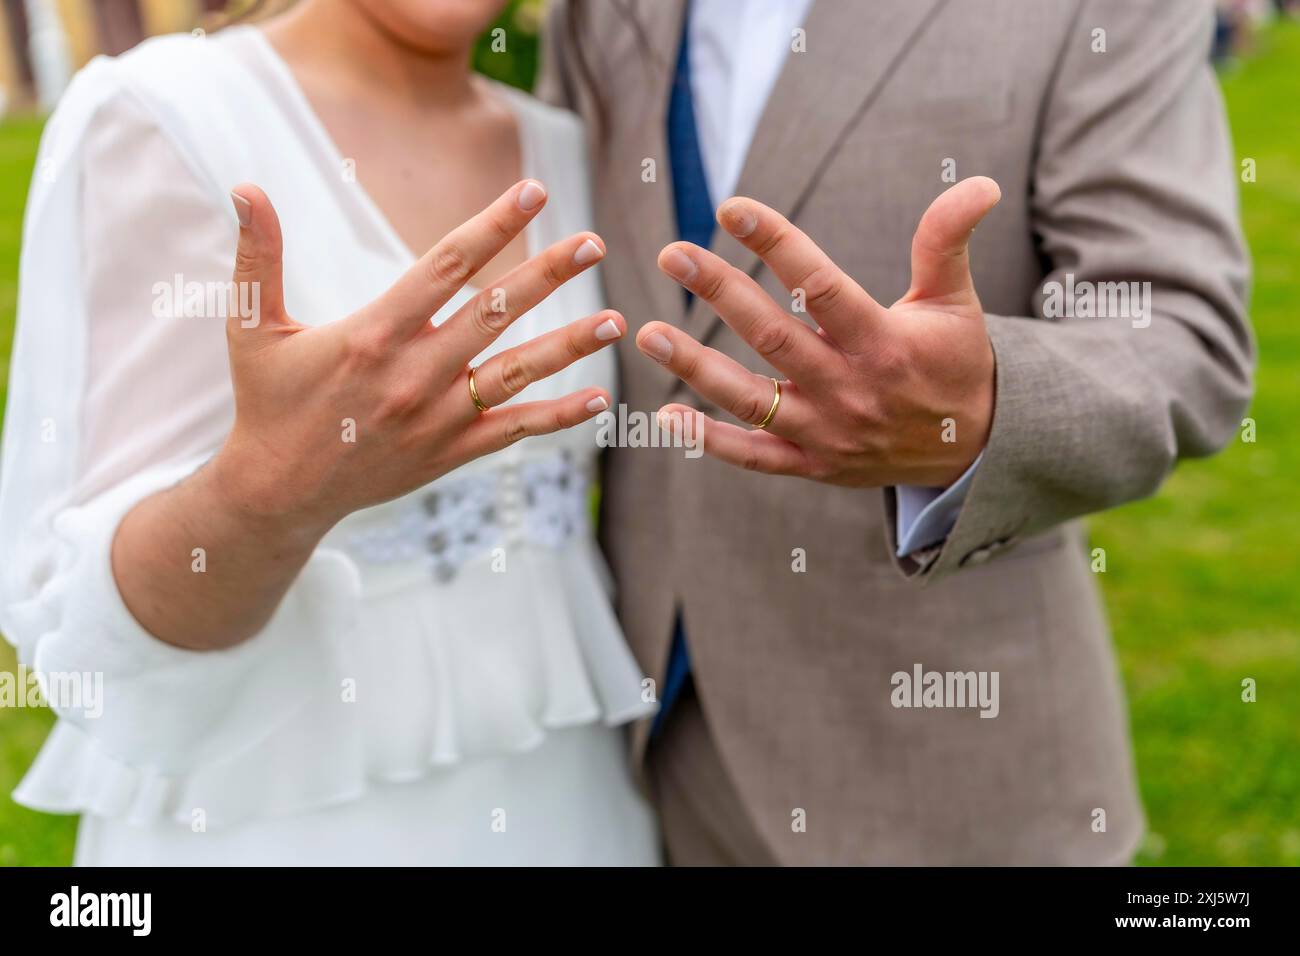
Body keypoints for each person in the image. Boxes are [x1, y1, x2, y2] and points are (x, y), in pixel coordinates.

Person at [538, 0, 1254, 864]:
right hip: (647, 751)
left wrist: (974, 408)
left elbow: (1180, 337)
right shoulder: (596, 14)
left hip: (943, 771)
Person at [0, 0, 659, 865]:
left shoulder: (569, 145)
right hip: (275, 817)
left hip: (569, 796)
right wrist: (267, 493)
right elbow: (85, 626)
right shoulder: (165, 112)